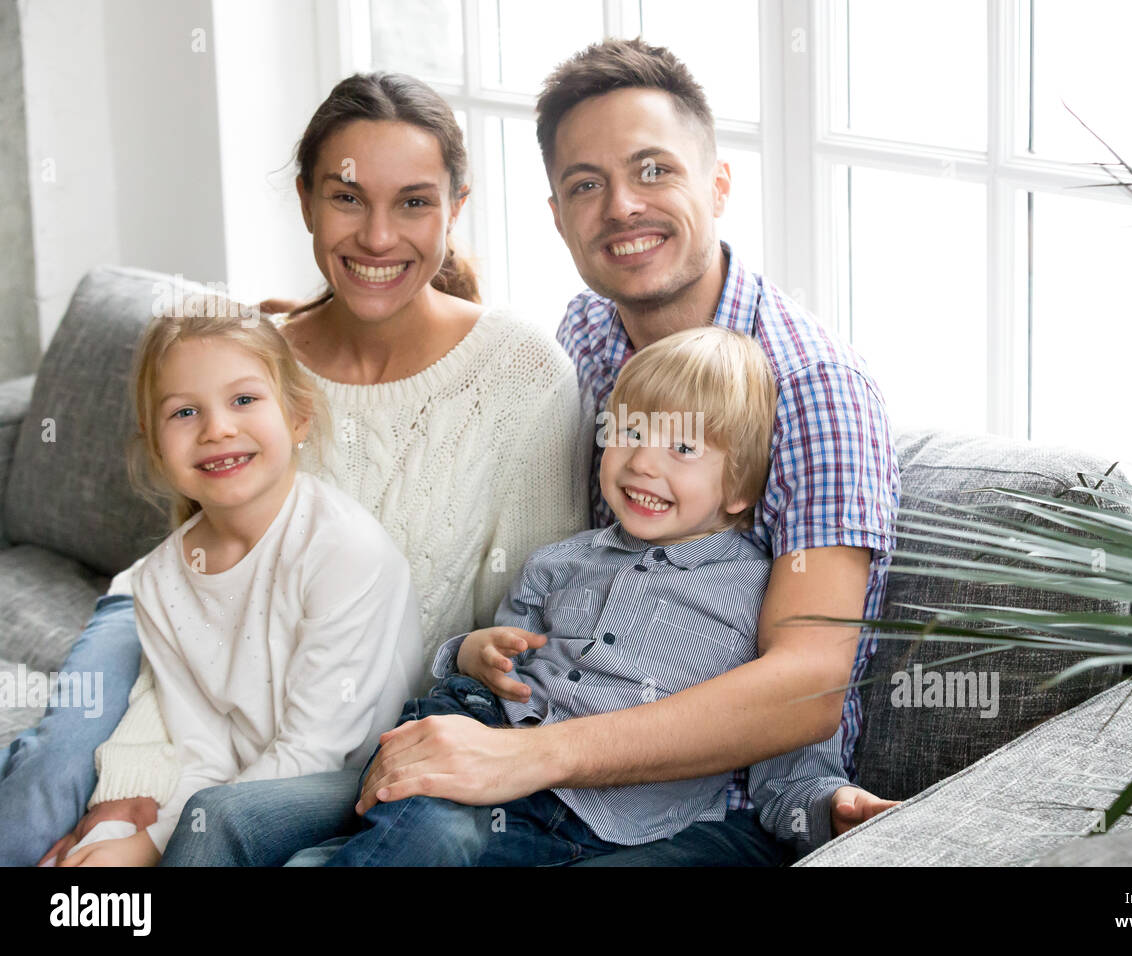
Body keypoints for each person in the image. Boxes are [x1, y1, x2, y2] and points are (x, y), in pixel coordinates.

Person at [0, 71, 587, 867]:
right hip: (171, 620)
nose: (378, 238)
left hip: (353, 700)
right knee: (50, 775)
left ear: (456, 205)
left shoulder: (525, 370)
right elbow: (200, 577)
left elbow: (536, 616)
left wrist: (153, 823)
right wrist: (120, 809)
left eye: (414, 201)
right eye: (347, 198)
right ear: (307, 200)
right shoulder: (259, 359)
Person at [346, 38, 901, 866]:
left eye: (653, 171)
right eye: (586, 185)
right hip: (542, 769)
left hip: (722, 806)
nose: (620, 208)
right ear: (559, 215)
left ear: (716, 184)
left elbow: (806, 687)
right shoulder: (588, 335)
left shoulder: (812, 388)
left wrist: (526, 757)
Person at [284, 326, 895, 866]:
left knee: (411, 845)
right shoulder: (560, 559)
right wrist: (473, 651)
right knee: (435, 819)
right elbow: (501, 663)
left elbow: (782, 745)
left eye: (682, 448)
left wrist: (828, 804)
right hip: (487, 747)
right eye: (629, 432)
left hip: (611, 825)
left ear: (739, 487)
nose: (642, 464)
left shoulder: (755, 593)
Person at [52, 310, 425, 866]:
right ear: (155, 447)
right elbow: (199, 750)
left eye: (244, 400)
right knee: (85, 865)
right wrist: (121, 844)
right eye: (184, 412)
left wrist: (153, 846)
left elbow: (316, 751)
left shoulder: (342, 550)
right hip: (234, 795)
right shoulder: (158, 582)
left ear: (298, 418)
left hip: (353, 790)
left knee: (192, 838)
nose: (217, 428)